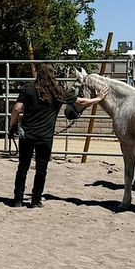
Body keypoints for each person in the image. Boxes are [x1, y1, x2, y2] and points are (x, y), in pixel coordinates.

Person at [7, 64, 105, 208]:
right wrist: (98, 98)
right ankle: (35, 200)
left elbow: (17, 108)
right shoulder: (58, 91)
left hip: (27, 134)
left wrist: (12, 126)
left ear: (38, 74)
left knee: (23, 166)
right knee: (41, 169)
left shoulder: (28, 88)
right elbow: (81, 102)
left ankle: (17, 199)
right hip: (45, 137)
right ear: (53, 75)